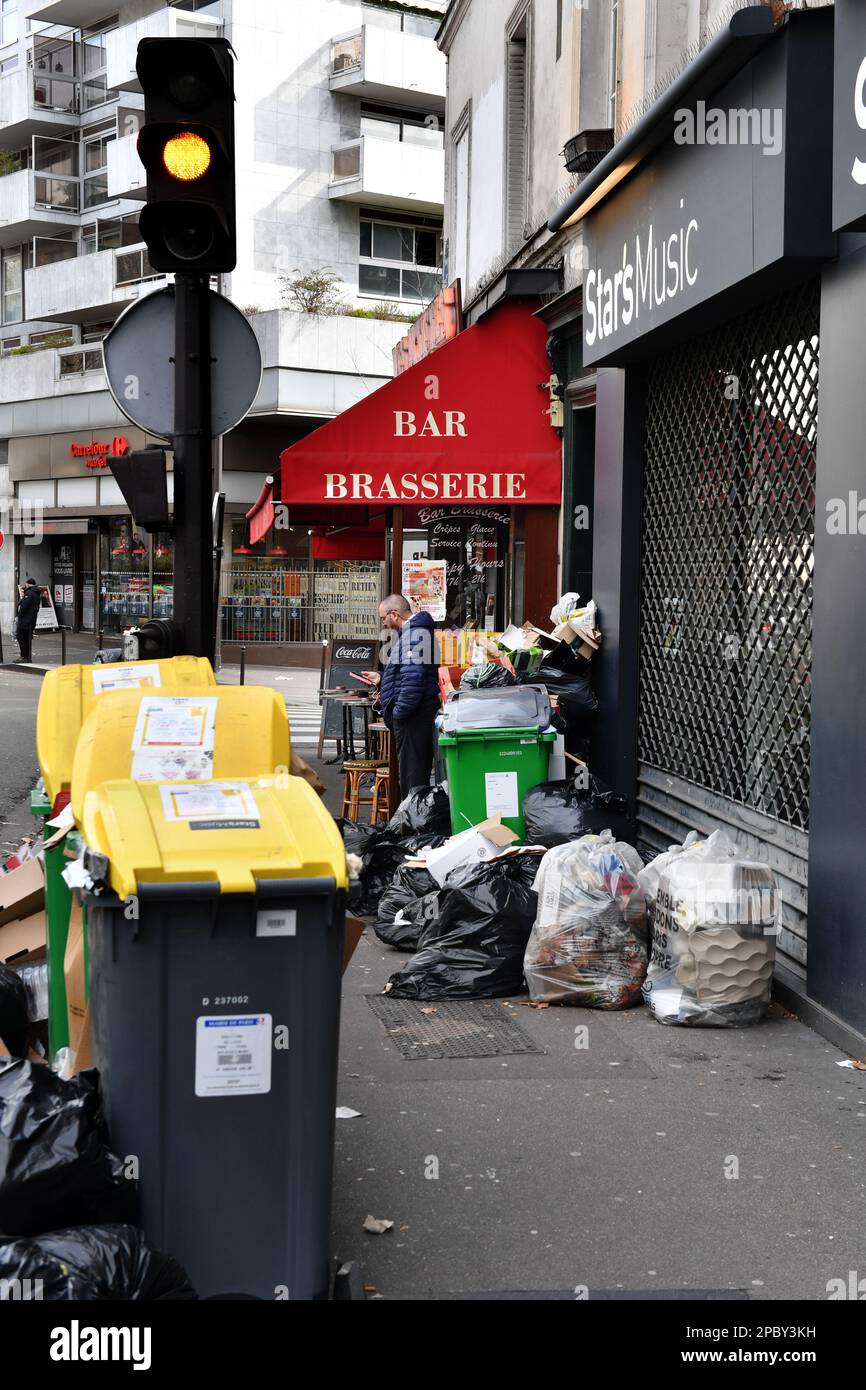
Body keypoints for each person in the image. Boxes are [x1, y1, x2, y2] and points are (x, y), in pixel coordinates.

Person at [362, 594, 439, 797]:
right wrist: (381, 678)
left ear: (394, 614)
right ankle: (412, 812)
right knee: (412, 775)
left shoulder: (415, 635)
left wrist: (398, 713)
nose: (384, 623)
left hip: (413, 717)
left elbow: (413, 680)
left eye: (383, 618)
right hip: (414, 714)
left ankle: (412, 815)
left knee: (412, 778)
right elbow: (408, 674)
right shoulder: (413, 634)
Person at [14, 578, 41, 664]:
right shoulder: (37, 593)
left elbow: (24, 607)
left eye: (26, 584)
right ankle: (27, 657)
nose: (25, 585)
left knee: (21, 637)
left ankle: (24, 656)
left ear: (28, 584)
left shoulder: (29, 593)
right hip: (31, 620)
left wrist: (18, 616)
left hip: (25, 620)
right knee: (27, 638)